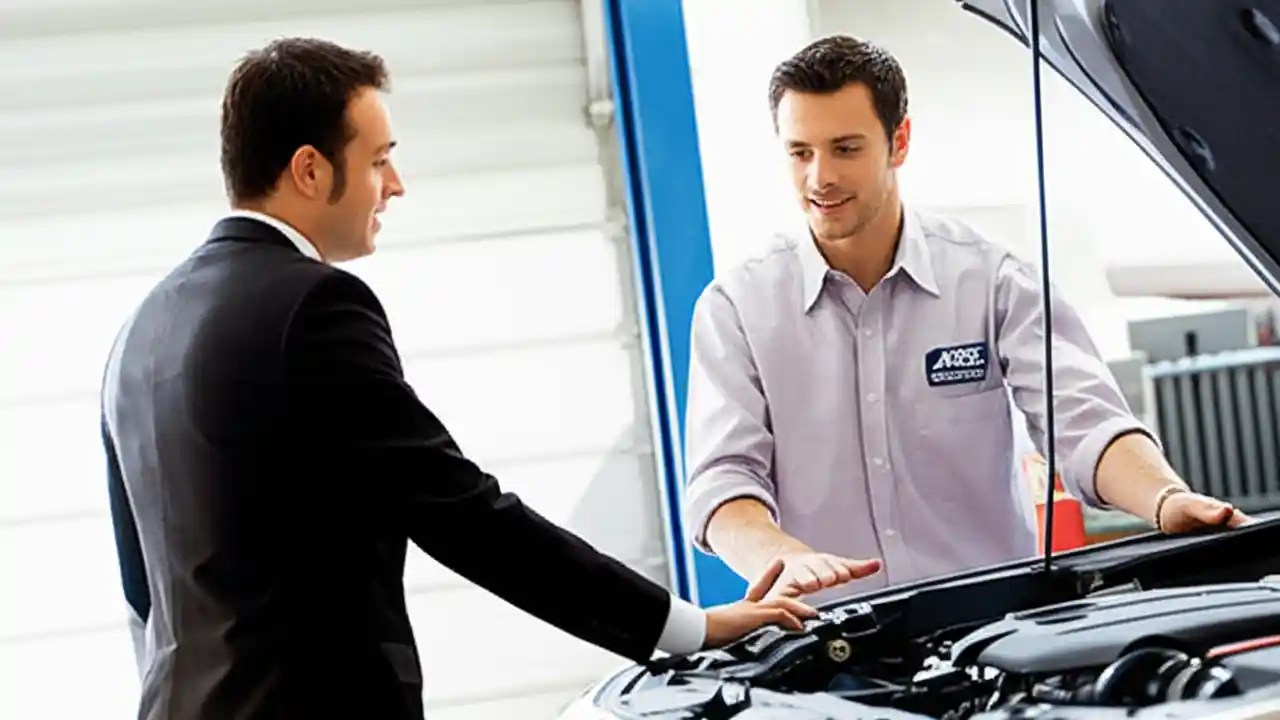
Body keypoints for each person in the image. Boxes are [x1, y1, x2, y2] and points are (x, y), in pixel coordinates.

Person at [100, 37, 815, 720]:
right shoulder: (313, 305)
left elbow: (144, 594)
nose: (395, 186)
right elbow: (458, 509)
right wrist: (685, 626)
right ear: (310, 170)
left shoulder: (141, 332)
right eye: (379, 160)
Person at [681, 34, 1250, 605]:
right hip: (829, 645)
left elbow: (1084, 424)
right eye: (800, 152)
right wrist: (781, 556)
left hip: (996, 632)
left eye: (845, 149)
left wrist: (1165, 499)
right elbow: (721, 482)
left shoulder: (993, 280)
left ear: (898, 141)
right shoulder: (736, 310)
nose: (819, 177)